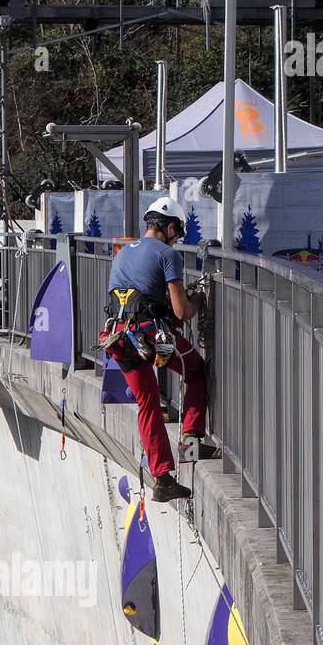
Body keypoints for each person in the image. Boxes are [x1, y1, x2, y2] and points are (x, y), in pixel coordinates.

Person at [101, 197, 209, 502]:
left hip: (119, 337)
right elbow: (182, 312)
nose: (176, 240)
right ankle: (190, 437)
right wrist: (199, 298)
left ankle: (162, 479)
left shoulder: (123, 254)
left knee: (147, 403)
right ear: (170, 226)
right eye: (177, 234)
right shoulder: (166, 255)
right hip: (149, 333)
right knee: (196, 371)